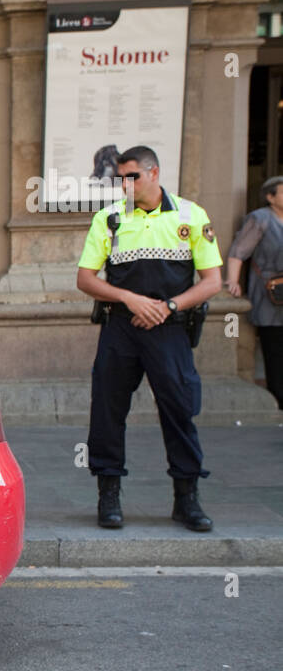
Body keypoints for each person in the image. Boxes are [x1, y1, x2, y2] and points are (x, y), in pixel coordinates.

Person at [76, 145, 222, 532]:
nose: (125, 184)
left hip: (170, 328)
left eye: (132, 177)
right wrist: (131, 299)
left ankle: (186, 498)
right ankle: (109, 496)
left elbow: (212, 281)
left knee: (179, 410)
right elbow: (86, 278)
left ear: (153, 173)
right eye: (120, 178)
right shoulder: (108, 218)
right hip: (120, 327)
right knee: (107, 411)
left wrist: (169, 307)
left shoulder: (191, 215)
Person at [226, 176, 283, 409]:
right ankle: (278, 396)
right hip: (271, 291)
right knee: (275, 346)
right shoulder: (260, 219)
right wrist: (232, 281)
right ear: (270, 197)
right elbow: (238, 252)